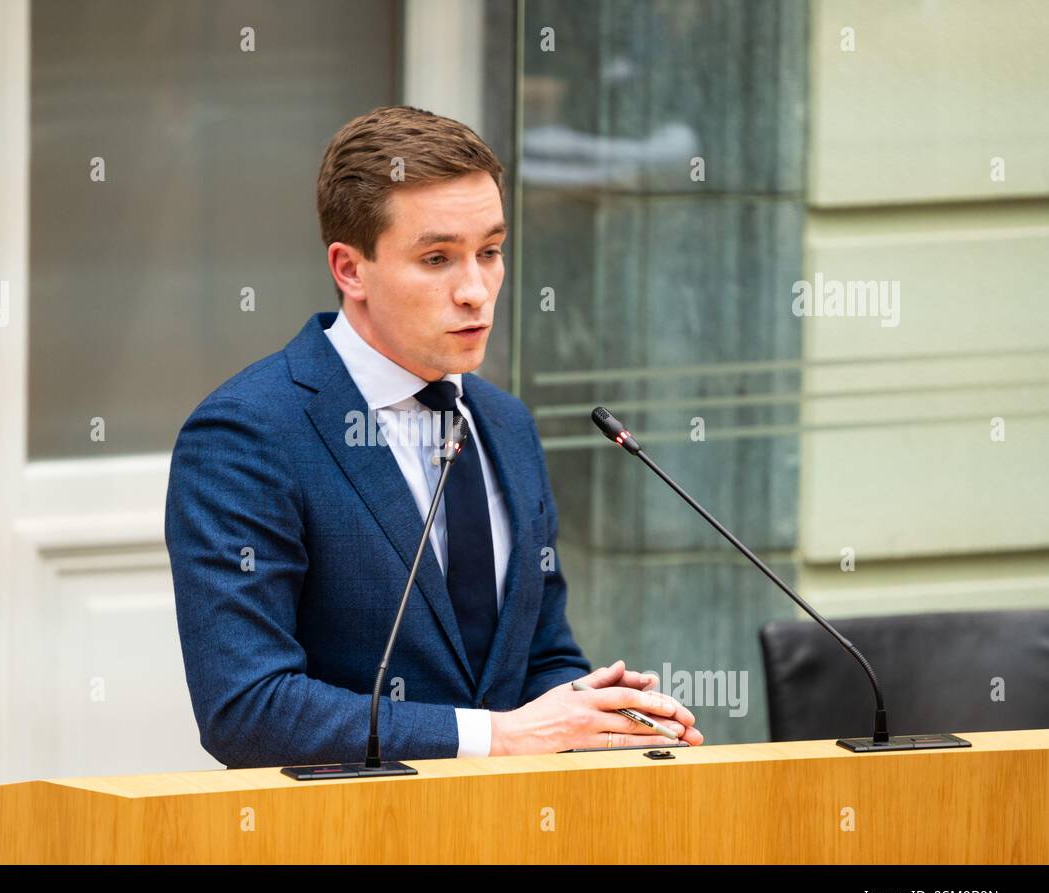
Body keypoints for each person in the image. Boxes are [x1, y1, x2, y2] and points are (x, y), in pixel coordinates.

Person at [165, 105, 703, 768]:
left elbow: (537, 654)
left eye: (490, 252)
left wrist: (588, 709)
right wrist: (496, 736)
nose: (476, 290)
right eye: (438, 258)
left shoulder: (505, 425)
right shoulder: (249, 434)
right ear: (350, 269)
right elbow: (247, 710)